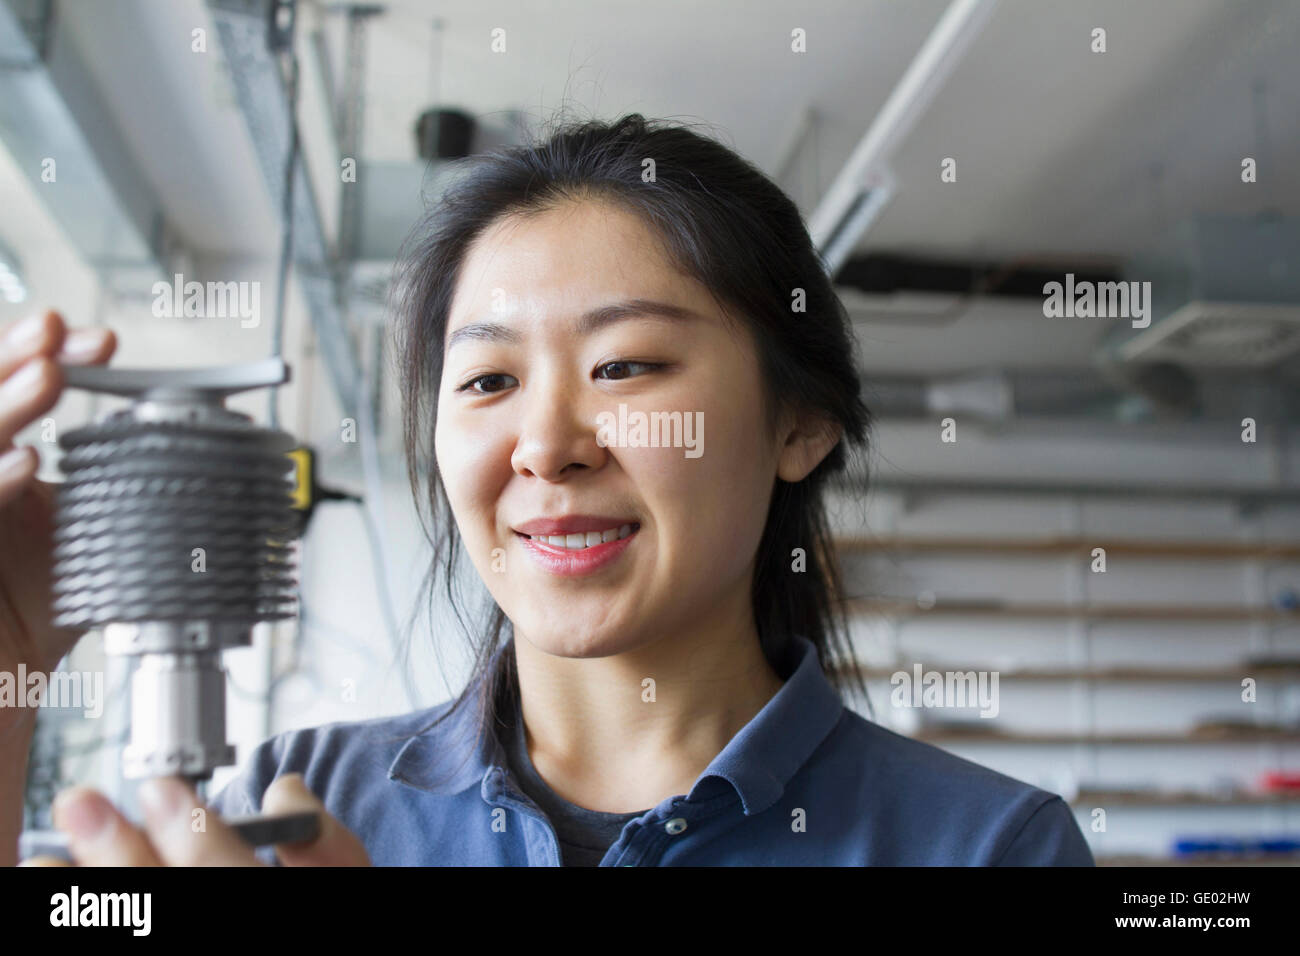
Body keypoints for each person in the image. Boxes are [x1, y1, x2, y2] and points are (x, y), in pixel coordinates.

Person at [1, 113, 1093, 867]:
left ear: (799, 423)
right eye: (486, 380)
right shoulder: (298, 795)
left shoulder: (987, 847)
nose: (545, 446)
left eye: (623, 366)